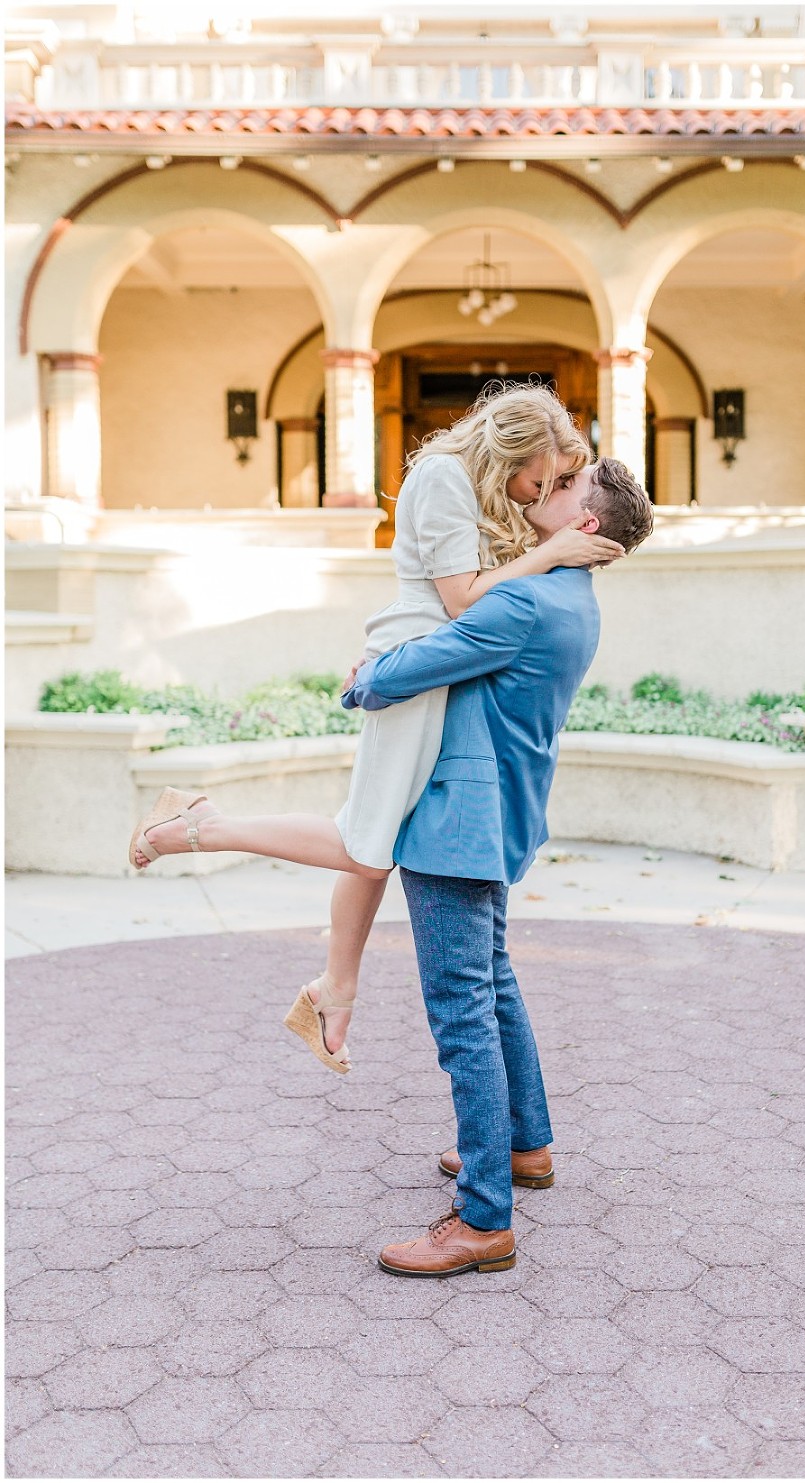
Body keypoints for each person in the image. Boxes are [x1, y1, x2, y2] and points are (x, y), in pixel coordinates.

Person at [128, 384, 624, 1074]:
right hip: (421, 665)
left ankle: (336, 989)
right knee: (366, 846)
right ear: (508, 447)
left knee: (374, 837)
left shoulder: (470, 484)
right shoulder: (445, 477)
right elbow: (460, 598)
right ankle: (202, 825)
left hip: (436, 665)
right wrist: (553, 551)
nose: (535, 493)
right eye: (539, 478)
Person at [341, 458, 654, 1277]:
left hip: (457, 821)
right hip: (500, 813)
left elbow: (415, 666)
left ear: (584, 526)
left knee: (462, 1009)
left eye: (565, 490)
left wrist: (364, 676)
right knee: (493, 980)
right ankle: (525, 1146)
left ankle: (483, 1219)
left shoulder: (520, 599)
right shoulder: (571, 599)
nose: (547, 488)